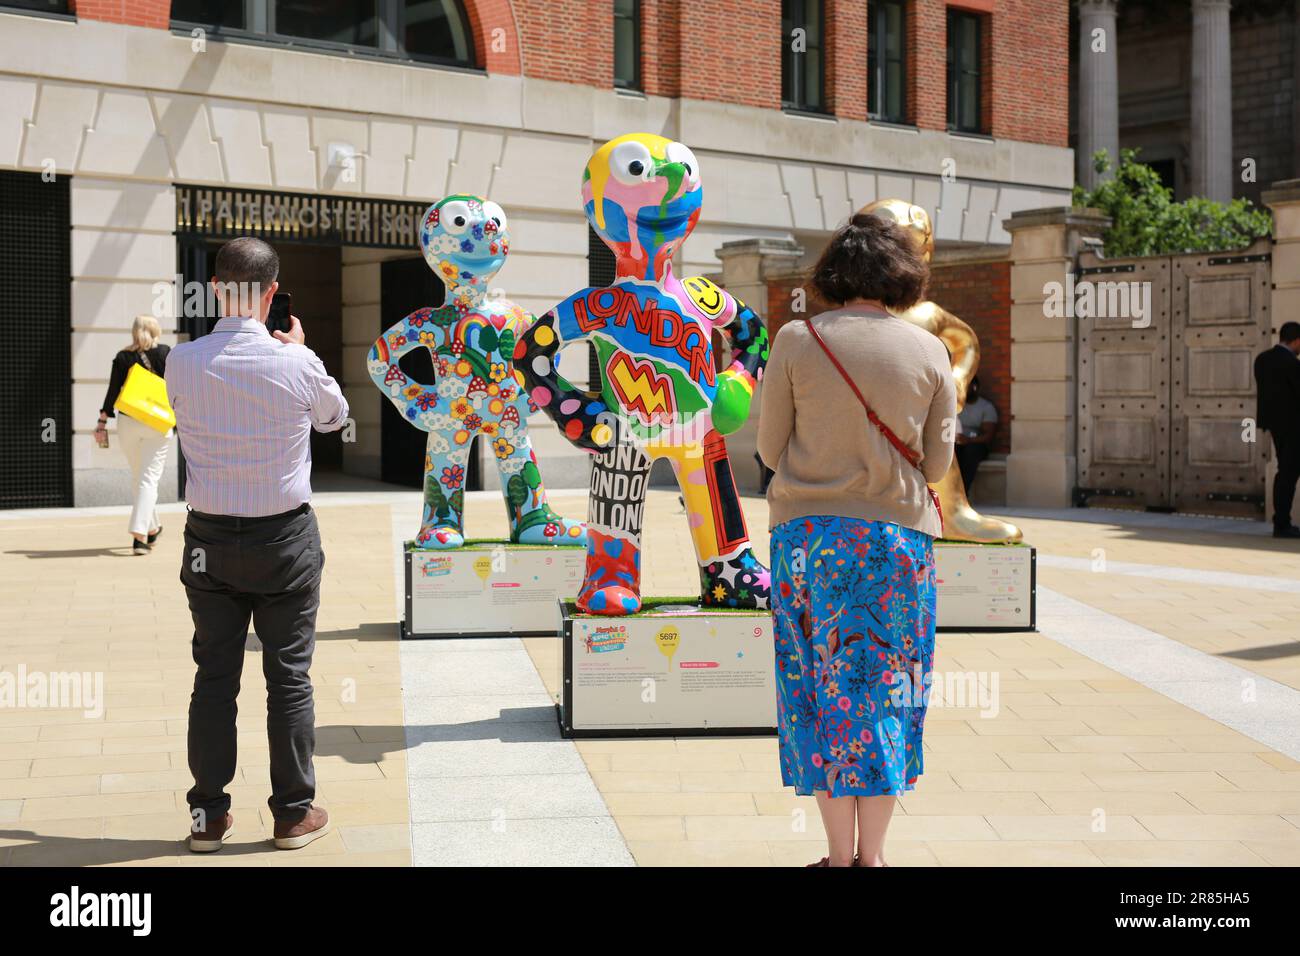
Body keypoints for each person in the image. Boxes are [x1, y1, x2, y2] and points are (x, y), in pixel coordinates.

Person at [757, 212, 955, 868]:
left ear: (834, 271)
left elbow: (765, 444)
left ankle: (838, 858)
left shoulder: (796, 337)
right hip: (899, 541)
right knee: (884, 693)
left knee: (815, 687)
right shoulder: (930, 349)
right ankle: (873, 859)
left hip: (807, 541)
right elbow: (935, 465)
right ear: (903, 273)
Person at [165, 236, 349, 852]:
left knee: (213, 676)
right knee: (289, 677)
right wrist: (299, 351)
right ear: (273, 294)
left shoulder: (181, 360)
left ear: (216, 288)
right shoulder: (296, 362)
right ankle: (293, 813)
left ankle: (207, 818)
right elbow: (332, 419)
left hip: (207, 538)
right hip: (285, 537)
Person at [95, 315, 171, 554]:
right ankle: (140, 536)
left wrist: (102, 422)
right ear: (155, 330)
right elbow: (178, 387)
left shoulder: (123, 357)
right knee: (147, 479)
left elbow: (112, 391)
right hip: (158, 423)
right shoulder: (166, 353)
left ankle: (153, 527)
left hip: (128, 422)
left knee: (140, 477)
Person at [1254, 322, 1300, 538]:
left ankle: (1281, 521)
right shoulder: (1291, 363)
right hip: (1294, 426)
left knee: (1285, 471)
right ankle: (1282, 524)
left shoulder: (1262, 360)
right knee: (1288, 474)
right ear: (1296, 340)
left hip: (1274, 425)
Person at [954, 375, 998, 490]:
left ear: (974, 387)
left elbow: (988, 436)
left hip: (976, 445)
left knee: (971, 452)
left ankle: (963, 491)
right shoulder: (956, 405)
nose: (962, 390)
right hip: (956, 442)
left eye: (965, 387)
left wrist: (968, 440)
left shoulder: (986, 407)